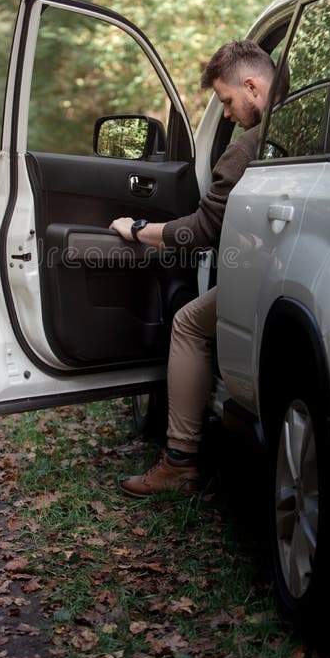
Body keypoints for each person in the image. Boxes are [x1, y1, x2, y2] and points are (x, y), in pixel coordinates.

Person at [109, 39, 277, 497]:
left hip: (271, 278)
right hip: (289, 269)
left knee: (187, 323)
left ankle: (179, 461)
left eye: (226, 101)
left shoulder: (246, 148)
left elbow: (202, 229)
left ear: (252, 85)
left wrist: (138, 227)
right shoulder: (316, 122)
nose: (226, 114)